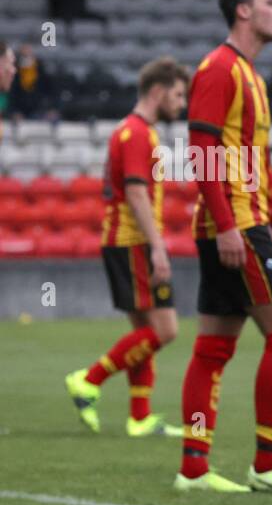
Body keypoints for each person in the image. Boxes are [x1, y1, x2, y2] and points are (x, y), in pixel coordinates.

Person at [175, 0, 272, 495]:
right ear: (243, 10)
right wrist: (229, 224)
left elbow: (259, 166)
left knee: (214, 347)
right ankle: (266, 463)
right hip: (237, 224)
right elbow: (202, 154)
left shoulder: (251, 77)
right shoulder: (218, 70)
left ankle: (193, 469)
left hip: (249, 223)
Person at [63, 58, 191, 439]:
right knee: (165, 330)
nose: (182, 103)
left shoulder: (129, 131)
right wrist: (158, 248)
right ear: (158, 91)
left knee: (145, 329)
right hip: (132, 241)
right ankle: (88, 379)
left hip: (123, 240)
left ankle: (139, 417)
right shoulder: (137, 134)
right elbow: (136, 193)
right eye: (179, 94)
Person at [9, 44, 58, 121]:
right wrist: (15, 111)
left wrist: (51, 109)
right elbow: (12, 94)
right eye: (24, 55)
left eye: (28, 54)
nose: (26, 57)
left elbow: (51, 91)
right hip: (21, 110)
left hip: (40, 109)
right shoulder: (15, 72)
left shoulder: (41, 70)